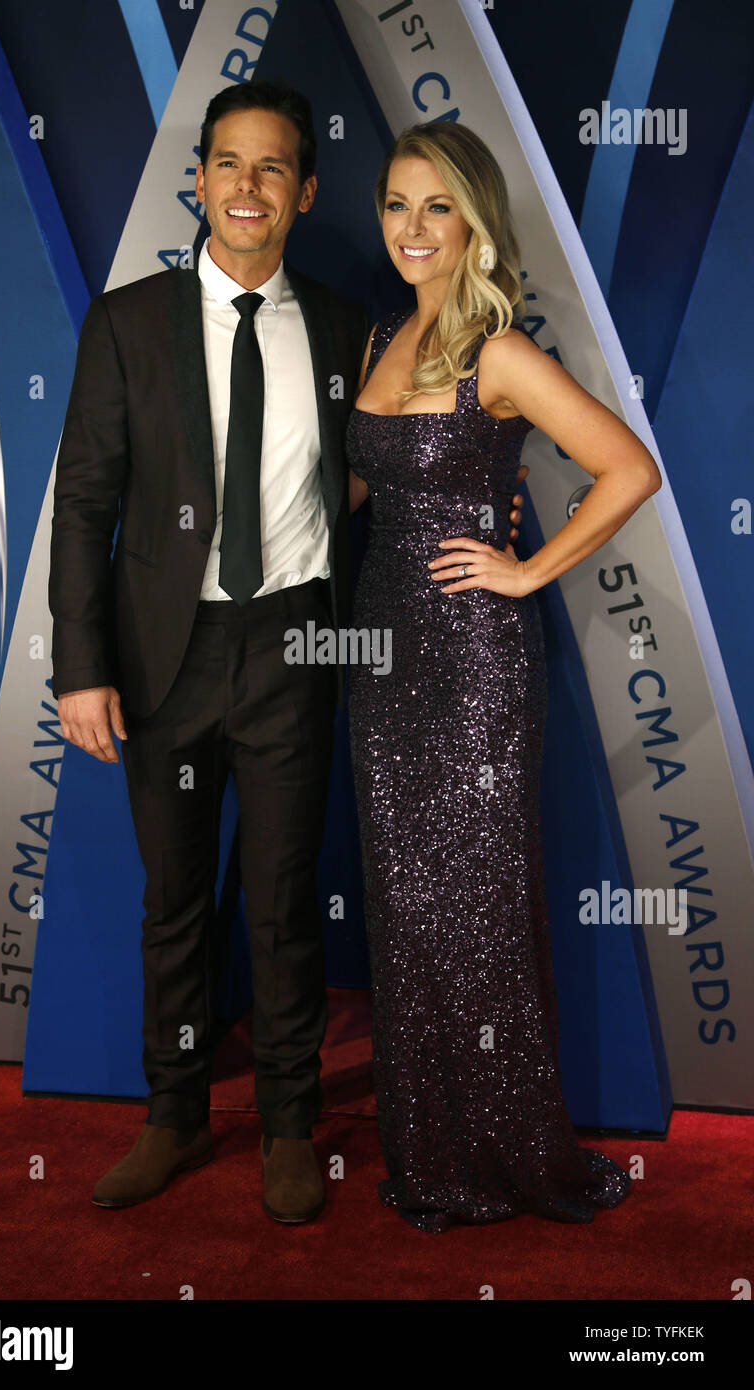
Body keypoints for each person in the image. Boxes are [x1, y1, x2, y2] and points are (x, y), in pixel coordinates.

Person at [48, 77, 532, 1224]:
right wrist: (80, 664)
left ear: (305, 192)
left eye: (273, 167)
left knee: (280, 902)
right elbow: (81, 507)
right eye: (229, 163)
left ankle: (285, 1124)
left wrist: (487, 517)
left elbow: (398, 456)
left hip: (296, 646)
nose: (248, 186)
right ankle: (171, 1116)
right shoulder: (125, 322)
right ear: (201, 179)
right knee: (174, 902)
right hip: (164, 653)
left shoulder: (341, 321)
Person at [346, 120, 661, 1233]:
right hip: (380, 666)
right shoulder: (385, 334)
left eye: (437, 206)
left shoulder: (502, 353)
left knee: (474, 909)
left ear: (475, 220)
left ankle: (510, 1153)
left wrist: (527, 569)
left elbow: (629, 468)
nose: (413, 228)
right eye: (395, 203)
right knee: (407, 912)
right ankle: (432, 1156)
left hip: (473, 668)